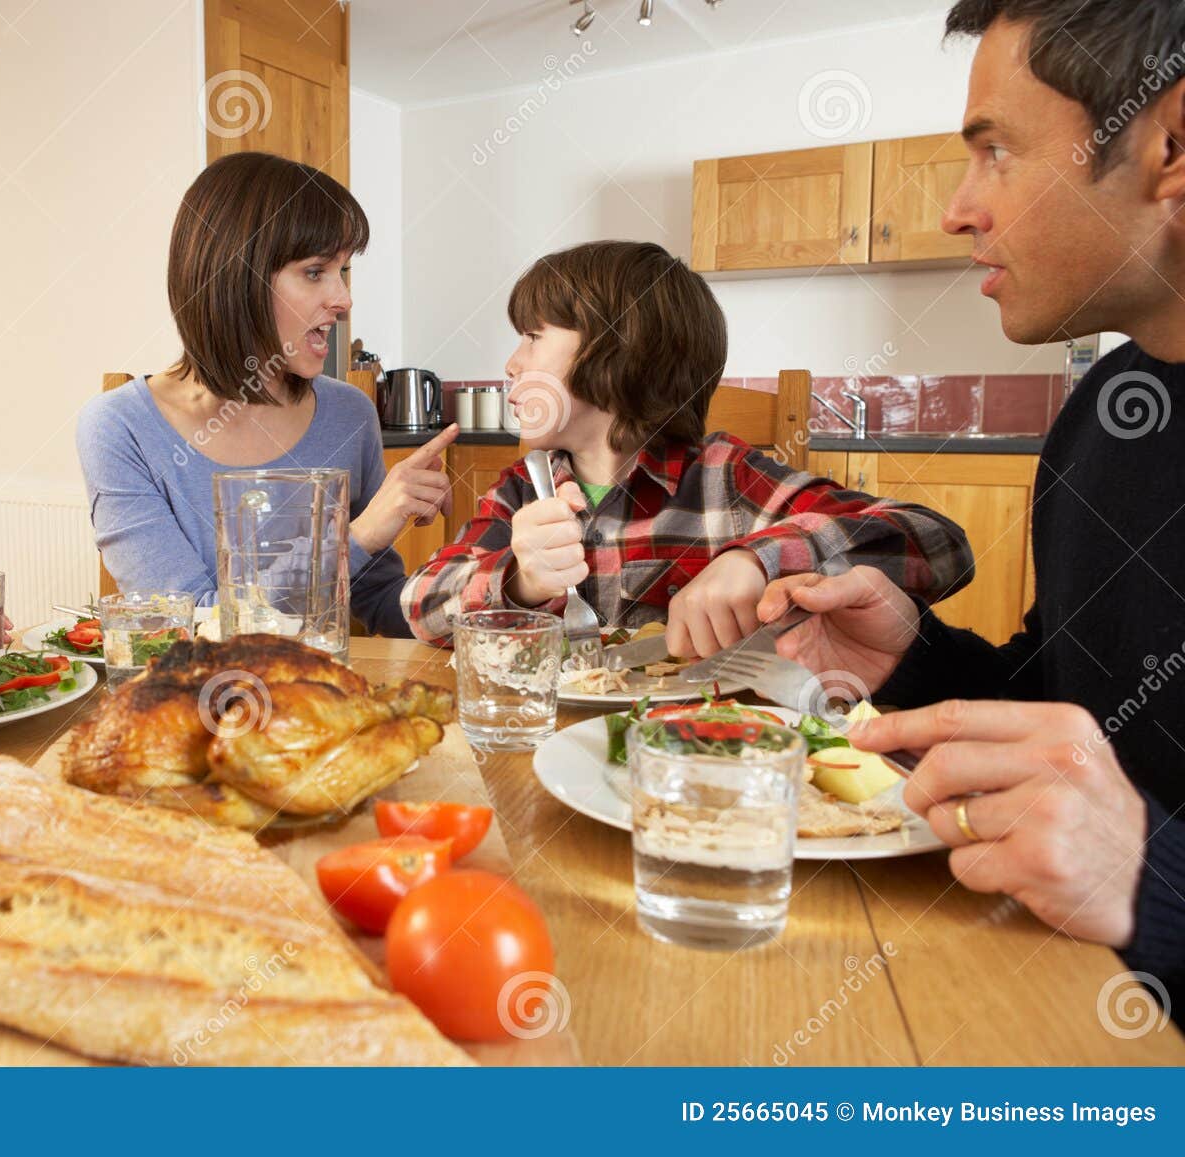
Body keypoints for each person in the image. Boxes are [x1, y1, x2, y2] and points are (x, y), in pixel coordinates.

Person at [758, 0, 1185, 1005]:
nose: (954, 208)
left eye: (996, 150)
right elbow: (1069, 700)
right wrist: (914, 657)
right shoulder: (1104, 417)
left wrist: (1154, 880)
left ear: (1169, 146)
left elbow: (1125, 837)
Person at [401, 240, 975, 650]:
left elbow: (939, 542)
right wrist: (519, 582)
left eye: (532, 337)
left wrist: (757, 559)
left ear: (616, 354)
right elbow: (421, 606)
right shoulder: (523, 490)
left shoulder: (725, 479)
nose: (512, 363)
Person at [77, 152, 453, 636]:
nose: (343, 299)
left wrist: (500, 587)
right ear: (237, 279)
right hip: (199, 702)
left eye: (344, 271)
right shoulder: (119, 427)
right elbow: (190, 624)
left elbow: (375, 596)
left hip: (320, 698)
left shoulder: (348, 412)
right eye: (316, 271)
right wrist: (355, 537)